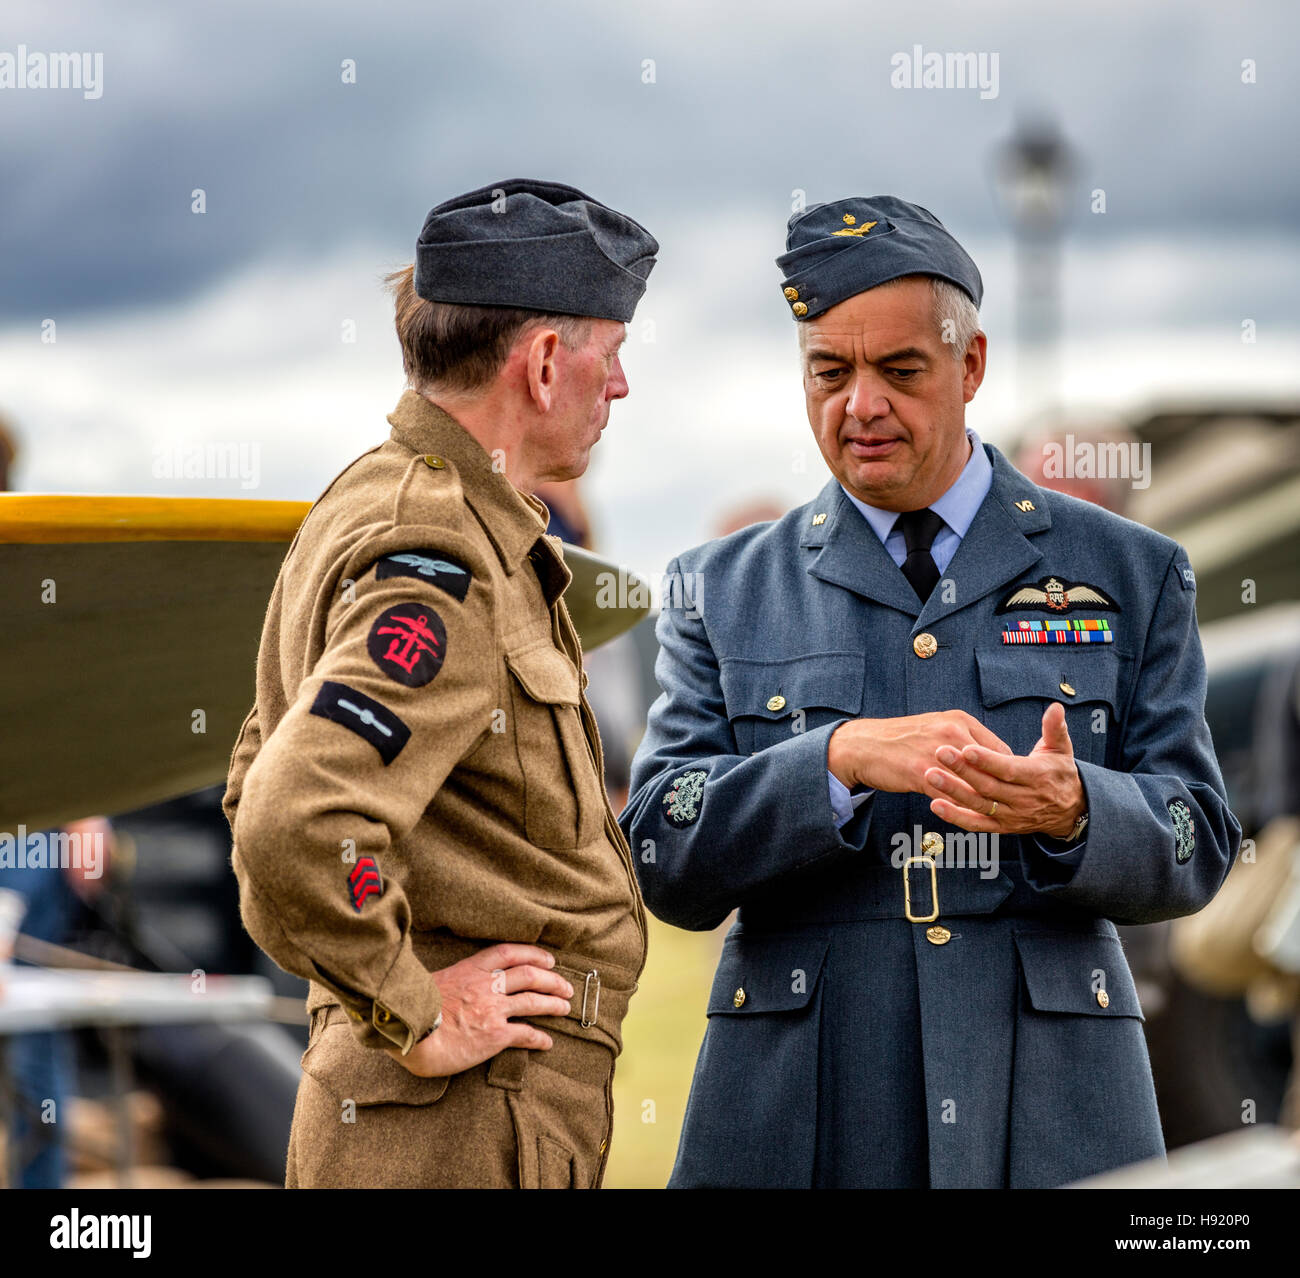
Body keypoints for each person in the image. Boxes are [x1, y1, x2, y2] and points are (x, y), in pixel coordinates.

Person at [621, 194, 1240, 1188]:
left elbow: (1198, 841)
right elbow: (661, 847)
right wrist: (830, 762)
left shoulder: (1131, 574)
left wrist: (1080, 808)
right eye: (828, 373)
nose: (859, 405)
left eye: (899, 372)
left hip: (1047, 1104)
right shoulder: (721, 589)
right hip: (805, 1110)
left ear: (972, 366)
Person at [224, 179, 656, 1189]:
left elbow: (257, 777)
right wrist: (413, 1009)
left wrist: (374, 989)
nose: (622, 387)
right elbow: (294, 817)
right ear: (546, 364)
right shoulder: (441, 546)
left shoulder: (373, 503)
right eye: (613, 352)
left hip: (436, 1118)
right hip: (458, 1125)